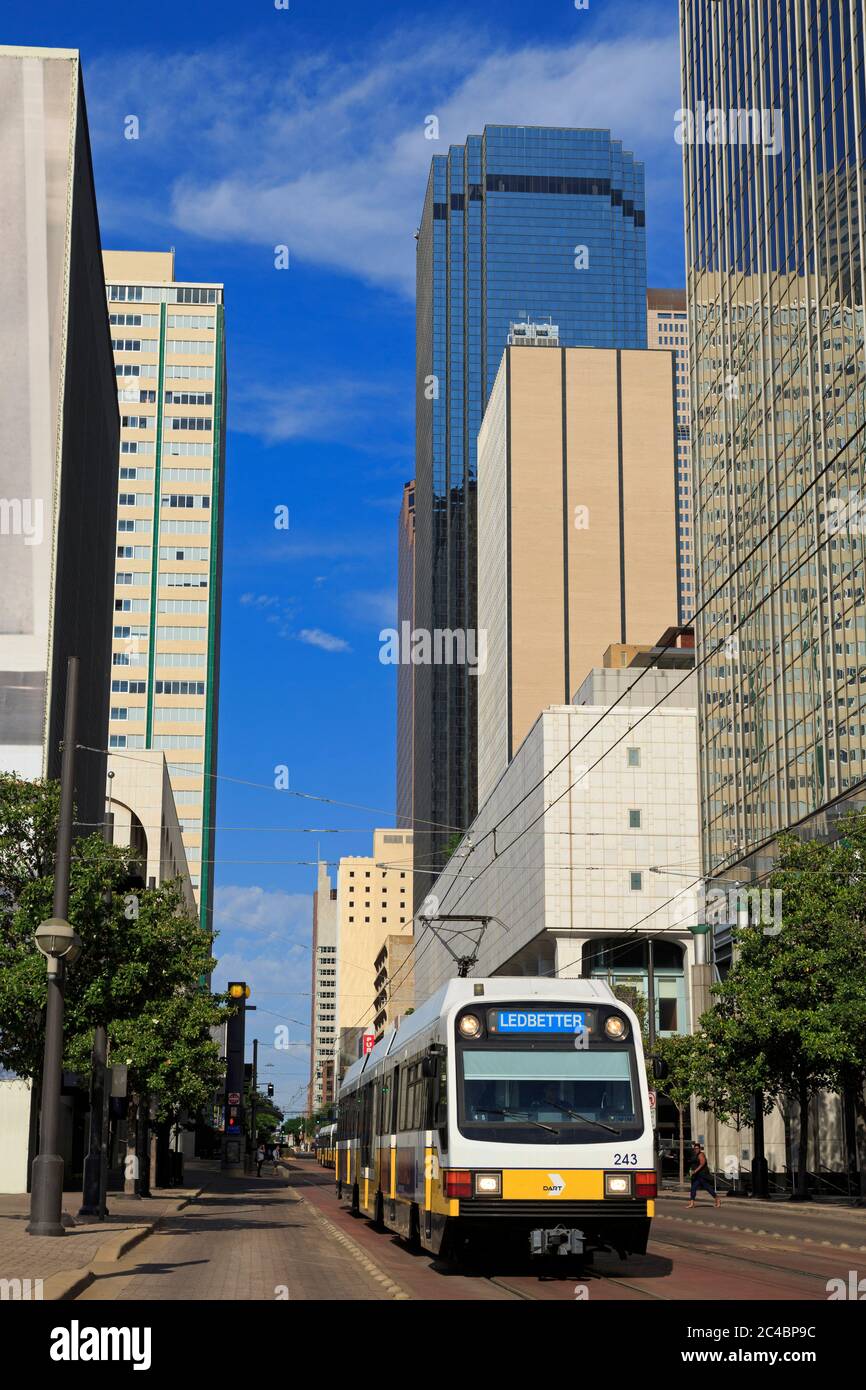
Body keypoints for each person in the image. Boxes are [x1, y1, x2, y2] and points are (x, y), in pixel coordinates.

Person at [688, 1141, 720, 1209]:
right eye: (695, 1148)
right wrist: (691, 1170)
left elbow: (702, 1164)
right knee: (693, 1188)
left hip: (702, 1174)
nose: (696, 1150)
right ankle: (692, 1203)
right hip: (696, 1175)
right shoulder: (694, 1155)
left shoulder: (701, 1154)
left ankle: (717, 1199)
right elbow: (693, 1164)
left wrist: (695, 1171)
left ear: (700, 1149)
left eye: (697, 1148)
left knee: (707, 1187)